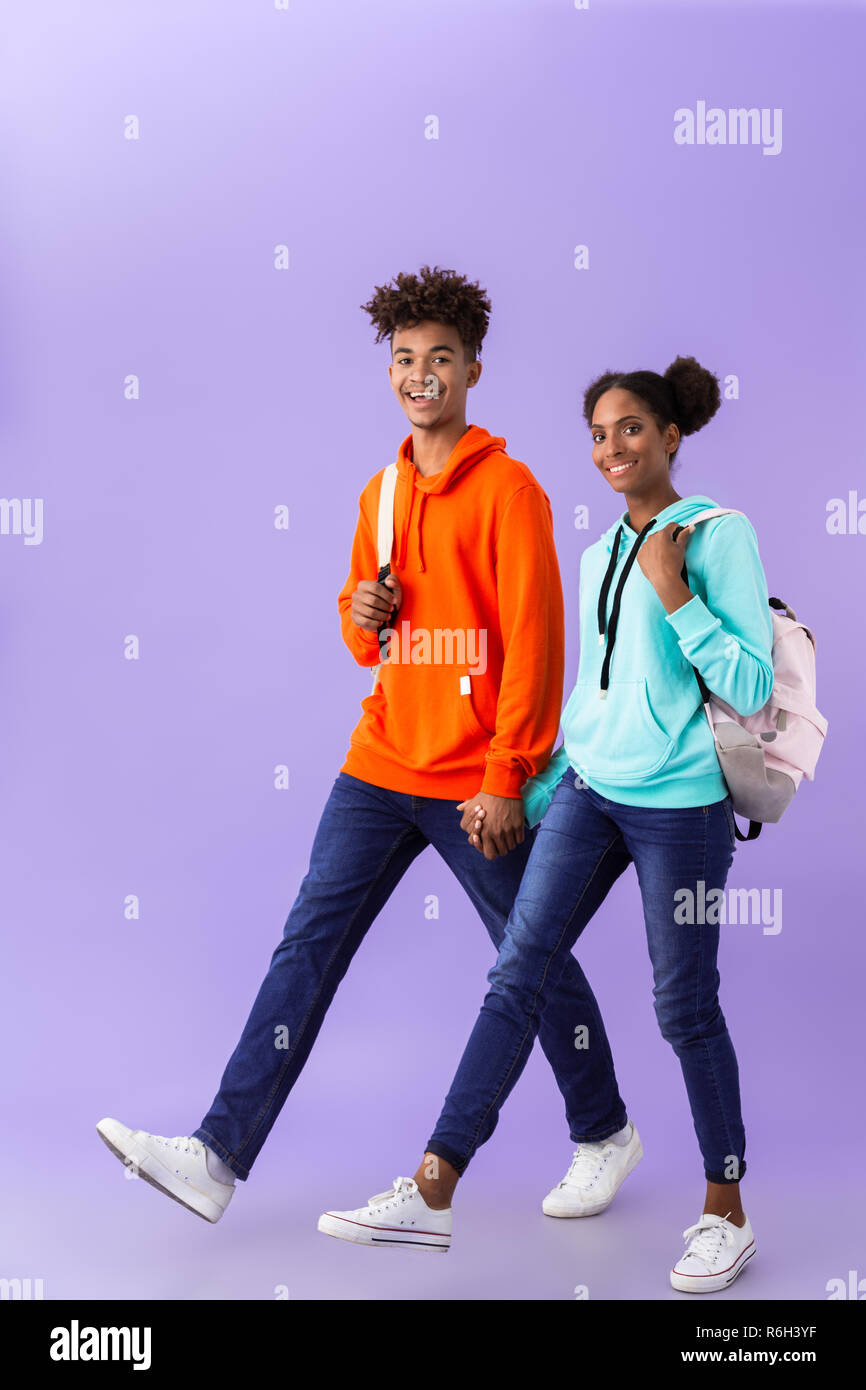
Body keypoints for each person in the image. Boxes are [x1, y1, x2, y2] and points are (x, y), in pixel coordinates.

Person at [94, 264, 615, 1227]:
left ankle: (602, 1132)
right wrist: (362, 613)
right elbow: (360, 633)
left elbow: (540, 651)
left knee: (529, 956)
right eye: (406, 360)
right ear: (391, 372)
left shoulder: (512, 492)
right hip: (379, 764)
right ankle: (217, 1156)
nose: (422, 376)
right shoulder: (380, 492)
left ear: (474, 370)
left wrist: (508, 777)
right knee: (308, 946)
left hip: (476, 783)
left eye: (441, 360)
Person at [318, 356, 773, 1294]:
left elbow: (753, 686)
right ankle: (433, 1190)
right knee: (516, 971)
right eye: (600, 434)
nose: (613, 448)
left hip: (682, 813)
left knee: (683, 1008)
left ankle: (725, 1210)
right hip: (589, 795)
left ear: (671, 436)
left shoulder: (717, 536)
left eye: (632, 429)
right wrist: (527, 787)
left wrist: (678, 593)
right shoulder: (601, 551)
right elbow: (596, 699)